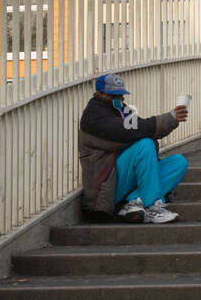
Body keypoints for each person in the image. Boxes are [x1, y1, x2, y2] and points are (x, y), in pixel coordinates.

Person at [78, 73, 188, 224]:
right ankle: (151, 205)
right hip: (106, 189)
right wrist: (169, 117)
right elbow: (131, 131)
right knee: (144, 144)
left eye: (120, 96)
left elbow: (142, 128)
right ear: (99, 93)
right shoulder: (93, 117)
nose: (117, 100)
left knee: (178, 162)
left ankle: (134, 201)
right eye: (112, 96)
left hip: (124, 180)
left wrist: (171, 119)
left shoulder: (120, 109)